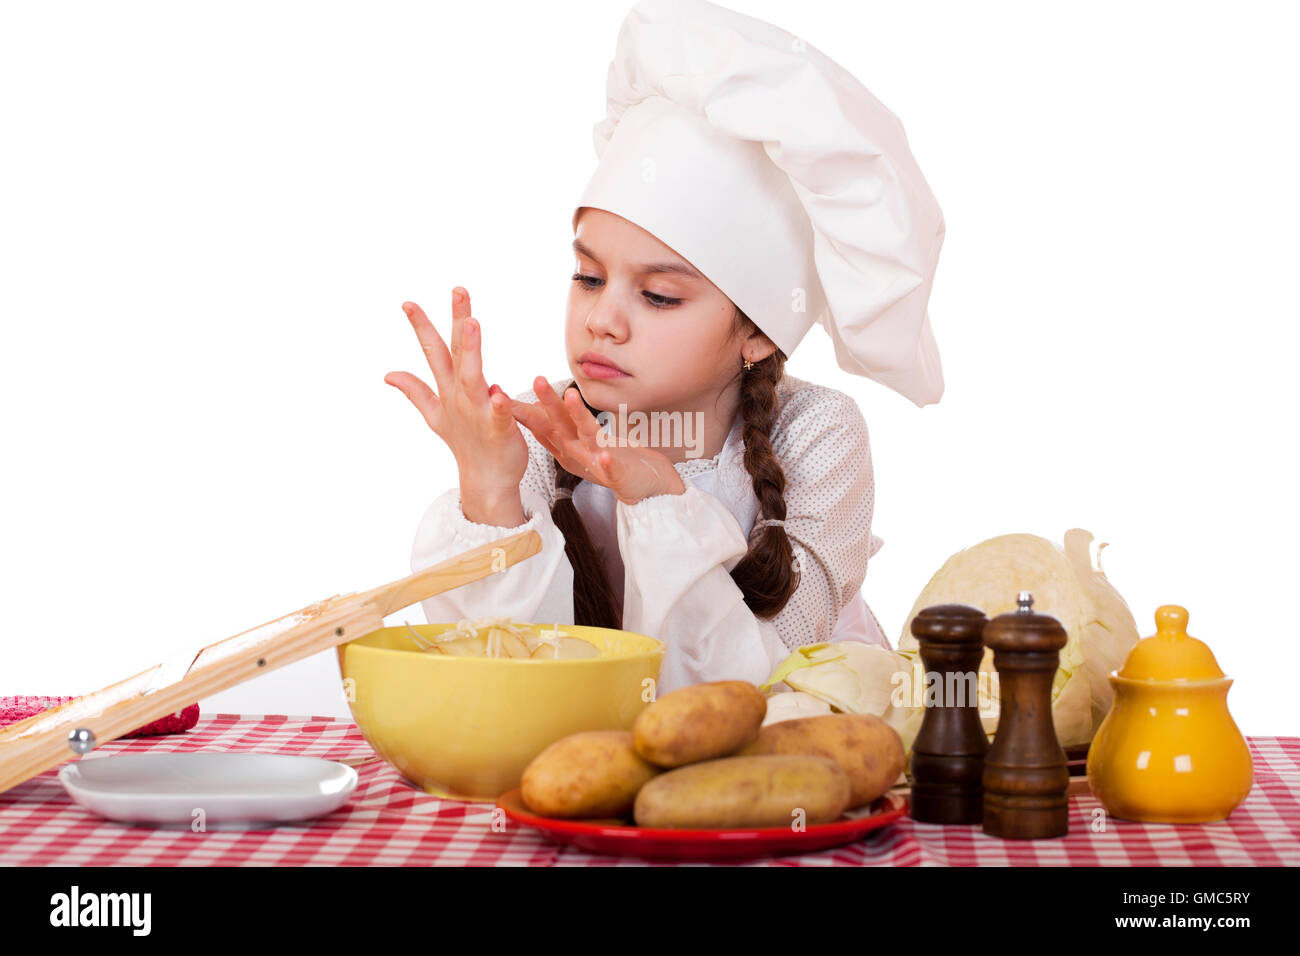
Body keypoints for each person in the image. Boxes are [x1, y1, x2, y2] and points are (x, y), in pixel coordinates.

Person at [383, 0, 946, 693]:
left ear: (758, 332)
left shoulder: (819, 438)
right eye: (588, 277)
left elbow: (753, 689)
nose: (603, 321)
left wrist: (659, 501)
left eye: (659, 296)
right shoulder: (541, 441)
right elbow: (512, 686)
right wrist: (491, 489)